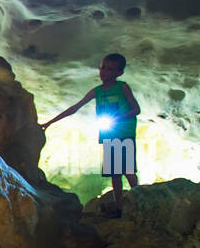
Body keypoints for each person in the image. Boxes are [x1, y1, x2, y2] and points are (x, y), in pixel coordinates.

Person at [40, 53, 141, 214]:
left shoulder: (122, 87)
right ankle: (119, 206)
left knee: (128, 170)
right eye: (103, 67)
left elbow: (136, 109)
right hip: (109, 135)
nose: (104, 72)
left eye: (110, 69)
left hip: (124, 134)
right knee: (114, 172)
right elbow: (75, 108)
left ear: (119, 73)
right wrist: (49, 122)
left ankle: (141, 202)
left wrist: (117, 117)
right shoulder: (97, 91)